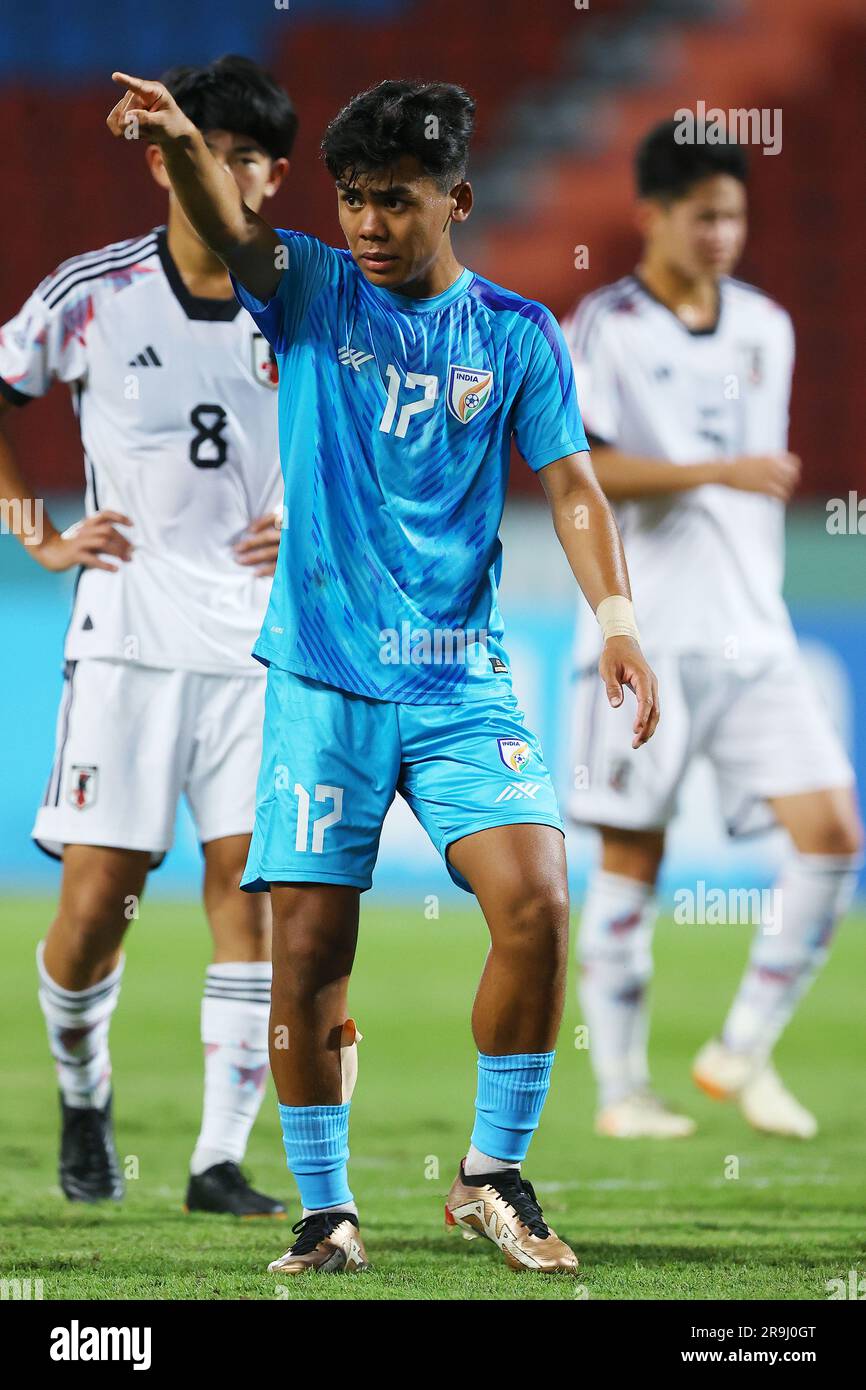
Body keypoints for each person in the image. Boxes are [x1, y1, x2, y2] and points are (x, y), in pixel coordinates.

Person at [107, 72, 660, 1274]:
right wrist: (187, 143)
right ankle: (326, 1208)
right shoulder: (307, 291)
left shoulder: (514, 334)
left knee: (537, 906)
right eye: (351, 197)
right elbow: (230, 226)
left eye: (393, 200)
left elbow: (568, 479)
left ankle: (489, 1175)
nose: (365, 222)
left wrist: (613, 613)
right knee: (306, 953)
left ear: (455, 198)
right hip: (321, 683)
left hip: (462, 681)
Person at [0, 55, 297, 1213]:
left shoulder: (301, 297)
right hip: (124, 639)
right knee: (93, 911)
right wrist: (35, 530)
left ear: (271, 179)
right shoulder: (94, 292)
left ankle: (216, 1159)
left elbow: (370, 439)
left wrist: (312, 527)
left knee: (248, 887)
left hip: (258, 650)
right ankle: (83, 1097)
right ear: (166, 157)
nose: (230, 175)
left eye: (249, 159)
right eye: (208, 151)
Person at [562, 118, 862, 1141]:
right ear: (650, 216)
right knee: (629, 857)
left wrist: (730, 484)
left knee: (830, 834)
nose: (722, 232)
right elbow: (580, 469)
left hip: (755, 632)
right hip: (642, 637)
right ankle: (619, 1093)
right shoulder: (601, 327)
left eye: (734, 213)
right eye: (703, 215)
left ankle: (739, 1047)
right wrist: (711, 470)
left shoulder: (763, 327)